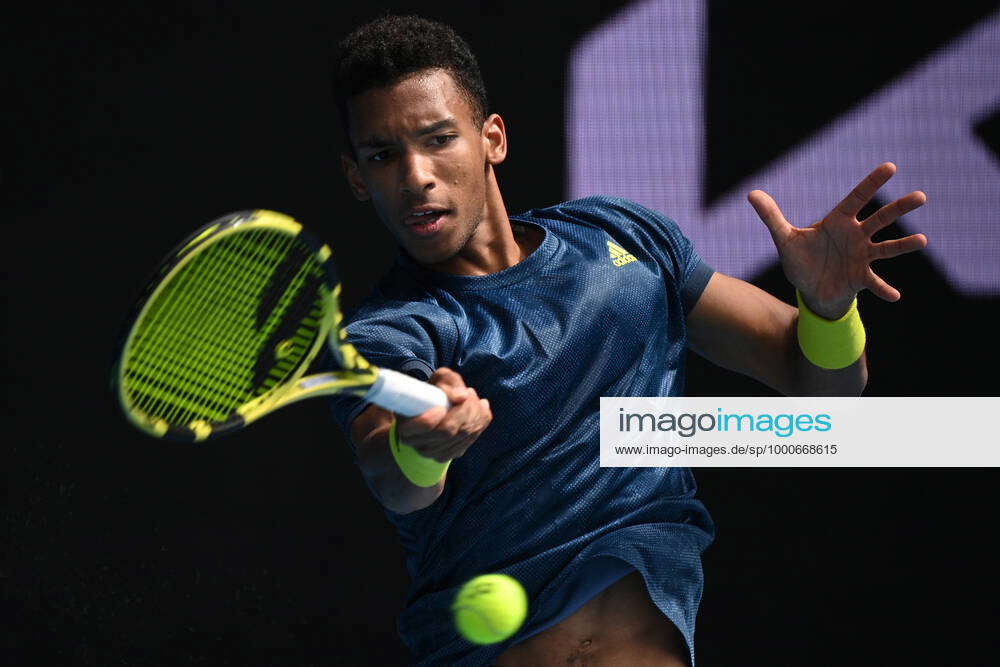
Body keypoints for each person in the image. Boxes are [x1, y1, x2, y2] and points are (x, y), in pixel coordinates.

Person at [326, 14, 927, 667]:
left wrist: (829, 309)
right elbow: (391, 474)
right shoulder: (392, 330)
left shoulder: (621, 236)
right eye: (383, 155)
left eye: (438, 139)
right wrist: (422, 446)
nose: (416, 175)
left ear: (491, 138)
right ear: (357, 177)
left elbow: (823, 389)